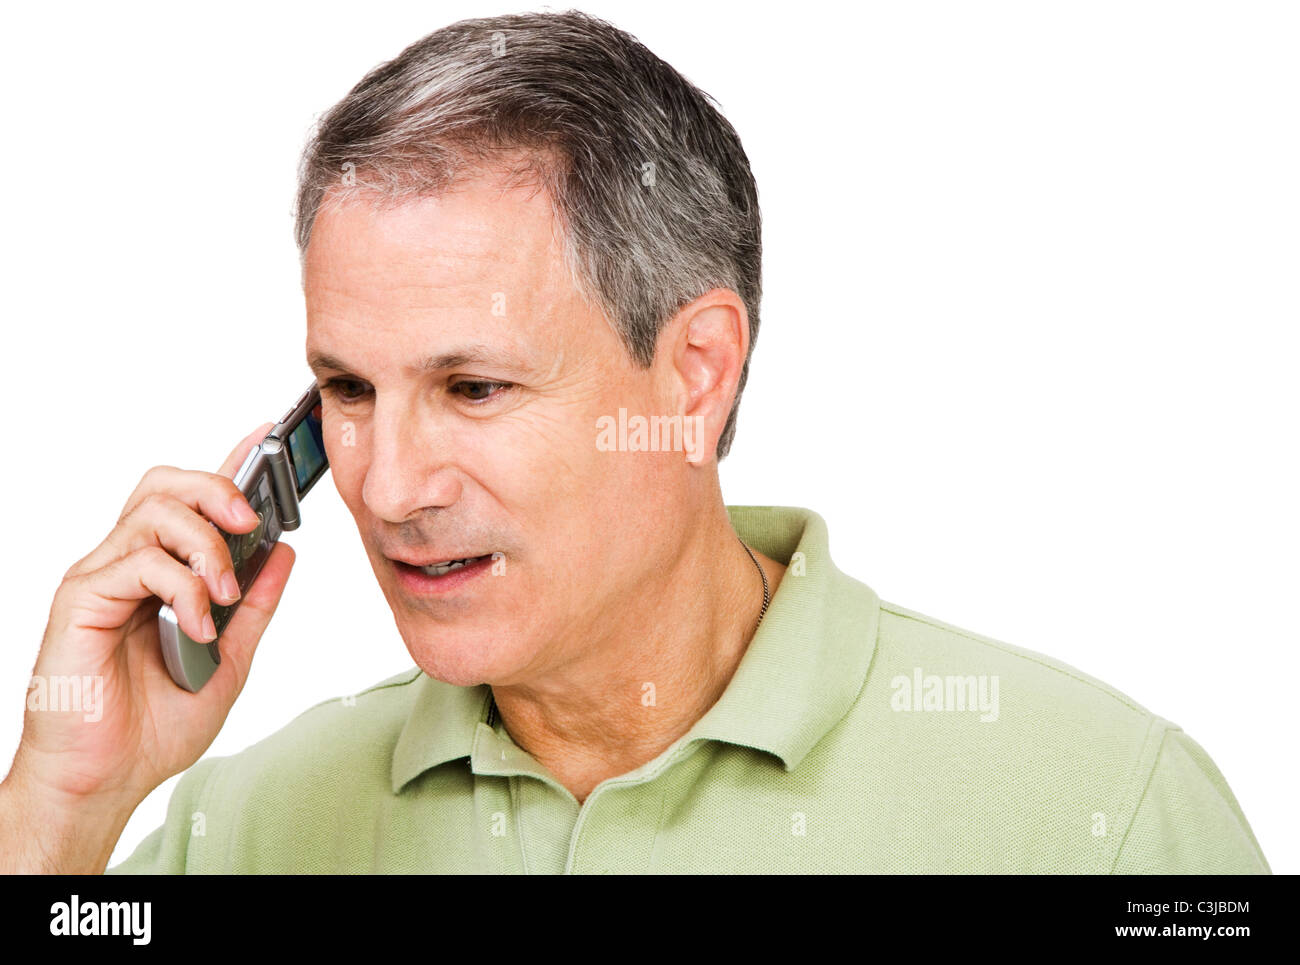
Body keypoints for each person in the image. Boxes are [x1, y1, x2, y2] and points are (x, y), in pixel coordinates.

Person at [0, 10, 1269, 874]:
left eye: (476, 386)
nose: (388, 484)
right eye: (346, 387)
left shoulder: (1105, 811)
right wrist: (62, 815)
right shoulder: (250, 824)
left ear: (695, 371)